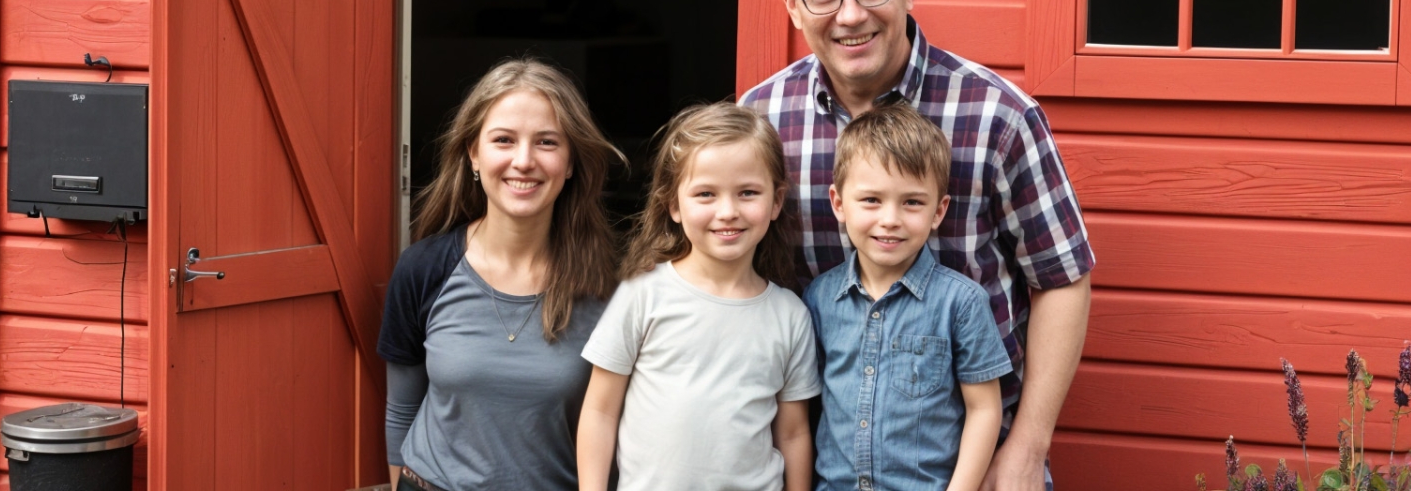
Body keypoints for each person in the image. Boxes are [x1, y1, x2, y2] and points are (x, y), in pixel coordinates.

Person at [740, 0, 1094, 491]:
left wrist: (1027, 448)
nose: (850, 15)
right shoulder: (761, 119)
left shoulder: (997, 115)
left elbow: (1060, 278)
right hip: (819, 465)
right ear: (792, 6)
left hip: (969, 466)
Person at [378, 58, 627, 491]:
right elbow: (402, 408)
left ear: (570, 162)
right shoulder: (424, 268)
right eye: (504, 140)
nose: (524, 160)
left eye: (547, 142)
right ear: (474, 153)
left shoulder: (610, 285)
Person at [576, 103, 820, 491]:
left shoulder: (790, 315)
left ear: (776, 201)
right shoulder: (643, 294)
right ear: (673, 204)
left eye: (748, 193)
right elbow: (600, 411)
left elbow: (792, 434)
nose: (727, 211)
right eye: (705, 193)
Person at [804, 102, 1007, 491]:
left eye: (912, 202)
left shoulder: (960, 303)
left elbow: (984, 409)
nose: (891, 219)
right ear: (838, 203)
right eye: (871, 200)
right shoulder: (819, 298)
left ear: (938, 211)